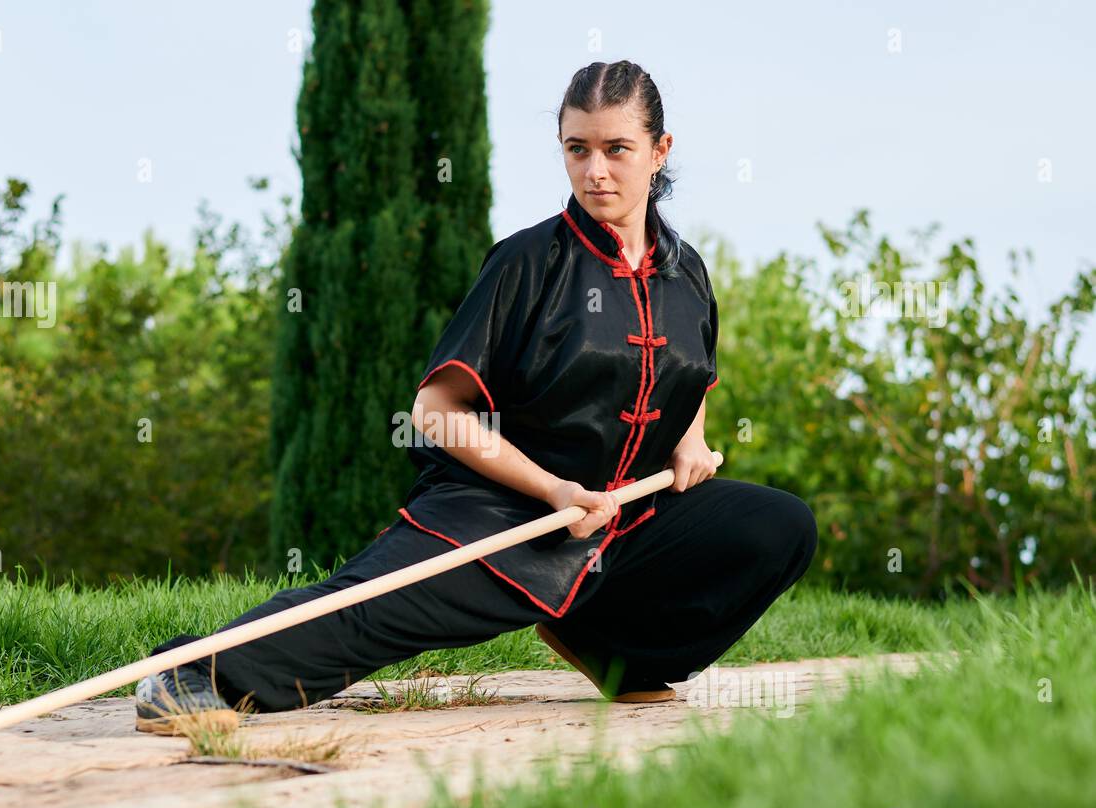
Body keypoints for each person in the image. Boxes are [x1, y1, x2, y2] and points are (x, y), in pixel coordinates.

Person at [135, 60, 817, 733]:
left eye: (617, 149)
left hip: (626, 520)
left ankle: (614, 651)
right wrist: (552, 489)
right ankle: (195, 674)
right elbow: (437, 413)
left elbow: (690, 378)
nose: (595, 171)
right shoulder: (525, 263)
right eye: (577, 149)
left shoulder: (687, 272)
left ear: (660, 151)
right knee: (374, 606)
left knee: (777, 526)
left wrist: (689, 440)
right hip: (500, 512)